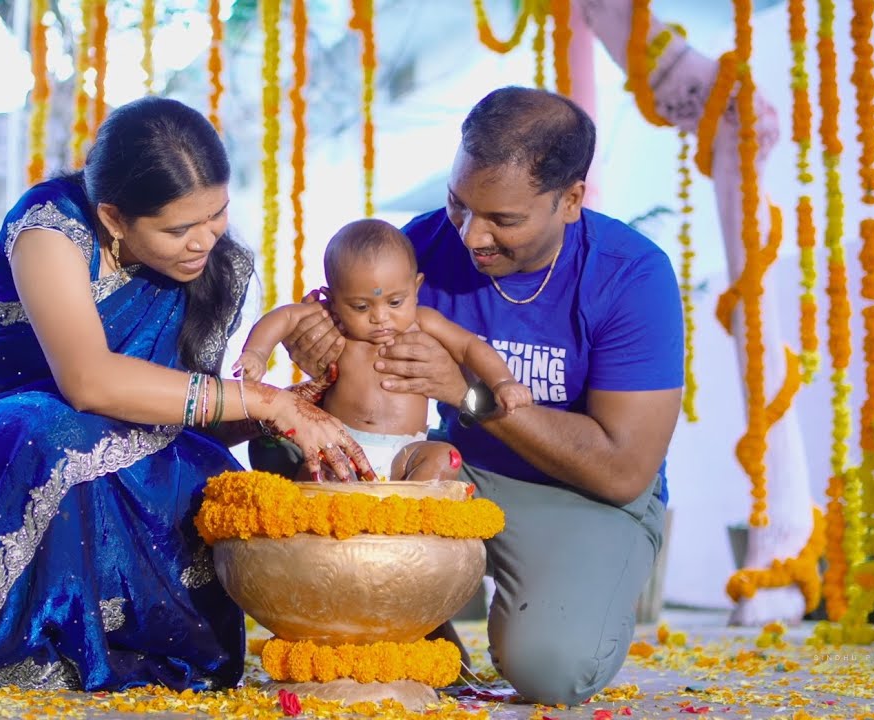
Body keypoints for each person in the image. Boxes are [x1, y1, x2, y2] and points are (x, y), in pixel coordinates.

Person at [0, 96, 374, 693]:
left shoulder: (203, 265)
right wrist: (261, 401)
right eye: (179, 229)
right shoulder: (50, 228)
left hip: (125, 438)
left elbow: (183, 414)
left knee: (211, 473)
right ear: (115, 218)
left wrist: (290, 405)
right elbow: (89, 383)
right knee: (47, 426)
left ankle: (134, 638)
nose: (205, 240)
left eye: (218, 214)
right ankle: (26, 639)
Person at [269, 86, 684, 705]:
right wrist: (320, 347)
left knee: (551, 667)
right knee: (290, 451)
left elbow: (622, 469)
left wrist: (465, 393)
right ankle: (421, 635)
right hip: (451, 470)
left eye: (503, 220)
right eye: (458, 204)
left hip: (582, 494)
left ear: (570, 201)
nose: (470, 235)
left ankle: (446, 618)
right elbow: (350, 341)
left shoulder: (630, 276)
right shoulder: (423, 248)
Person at [234, 218, 532, 482]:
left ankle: (408, 519)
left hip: (406, 451)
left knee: (444, 457)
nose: (380, 317)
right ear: (332, 299)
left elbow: (470, 347)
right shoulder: (336, 325)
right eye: (361, 307)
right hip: (343, 446)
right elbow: (285, 316)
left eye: (395, 302)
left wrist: (502, 381)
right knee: (320, 471)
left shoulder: (422, 322)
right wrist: (257, 353)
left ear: (416, 288)